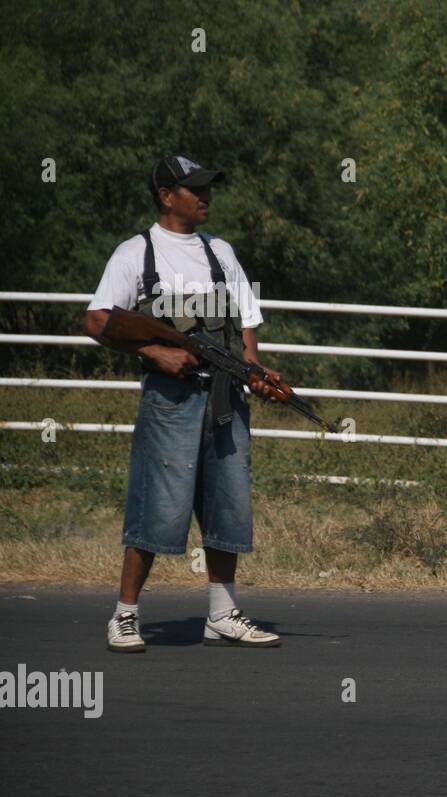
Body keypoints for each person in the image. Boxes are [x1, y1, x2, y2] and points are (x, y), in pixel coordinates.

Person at [84, 154, 283, 652]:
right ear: (166, 196)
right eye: (194, 189)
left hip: (224, 396)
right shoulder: (136, 253)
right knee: (158, 503)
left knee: (228, 501)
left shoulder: (221, 252)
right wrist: (154, 351)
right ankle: (125, 616)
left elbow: (246, 320)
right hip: (169, 399)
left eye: (207, 189)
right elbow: (98, 320)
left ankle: (222, 613)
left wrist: (253, 370)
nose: (205, 197)